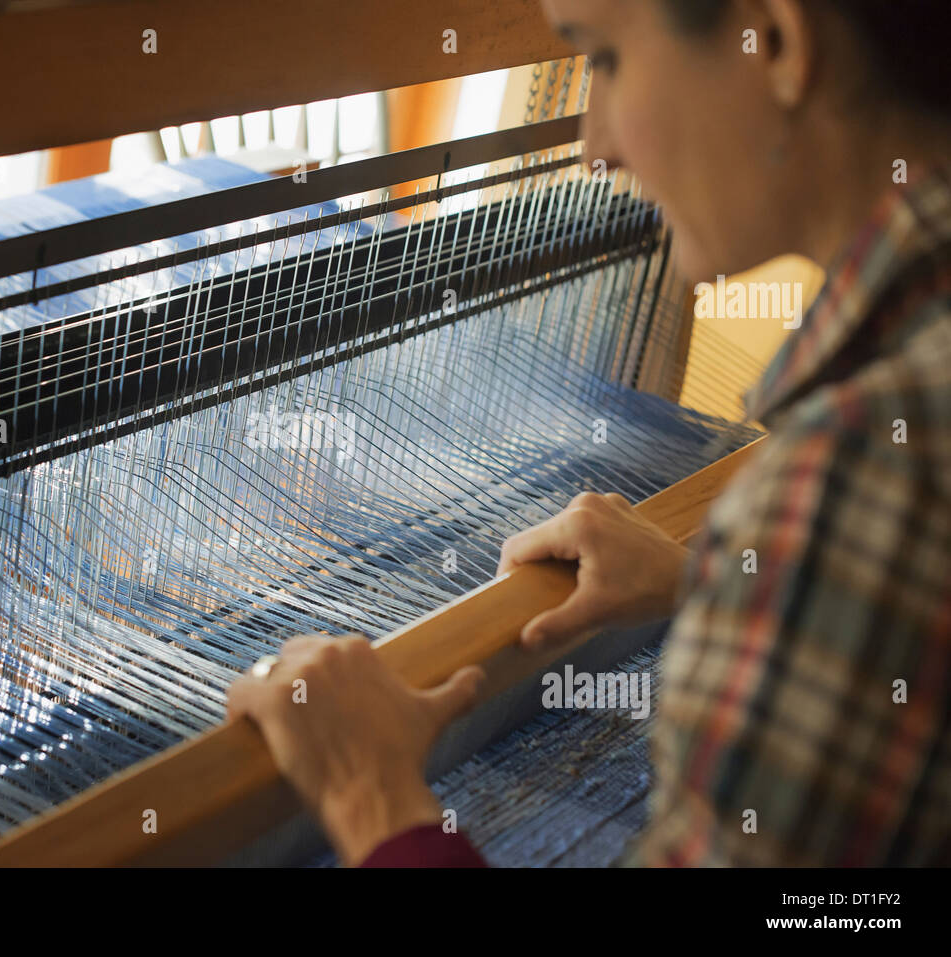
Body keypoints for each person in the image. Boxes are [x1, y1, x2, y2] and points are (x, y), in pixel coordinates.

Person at [227, 0, 951, 867]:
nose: (593, 146)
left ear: (781, 43)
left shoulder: (862, 467)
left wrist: (372, 797)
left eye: (604, 59)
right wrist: (727, 585)